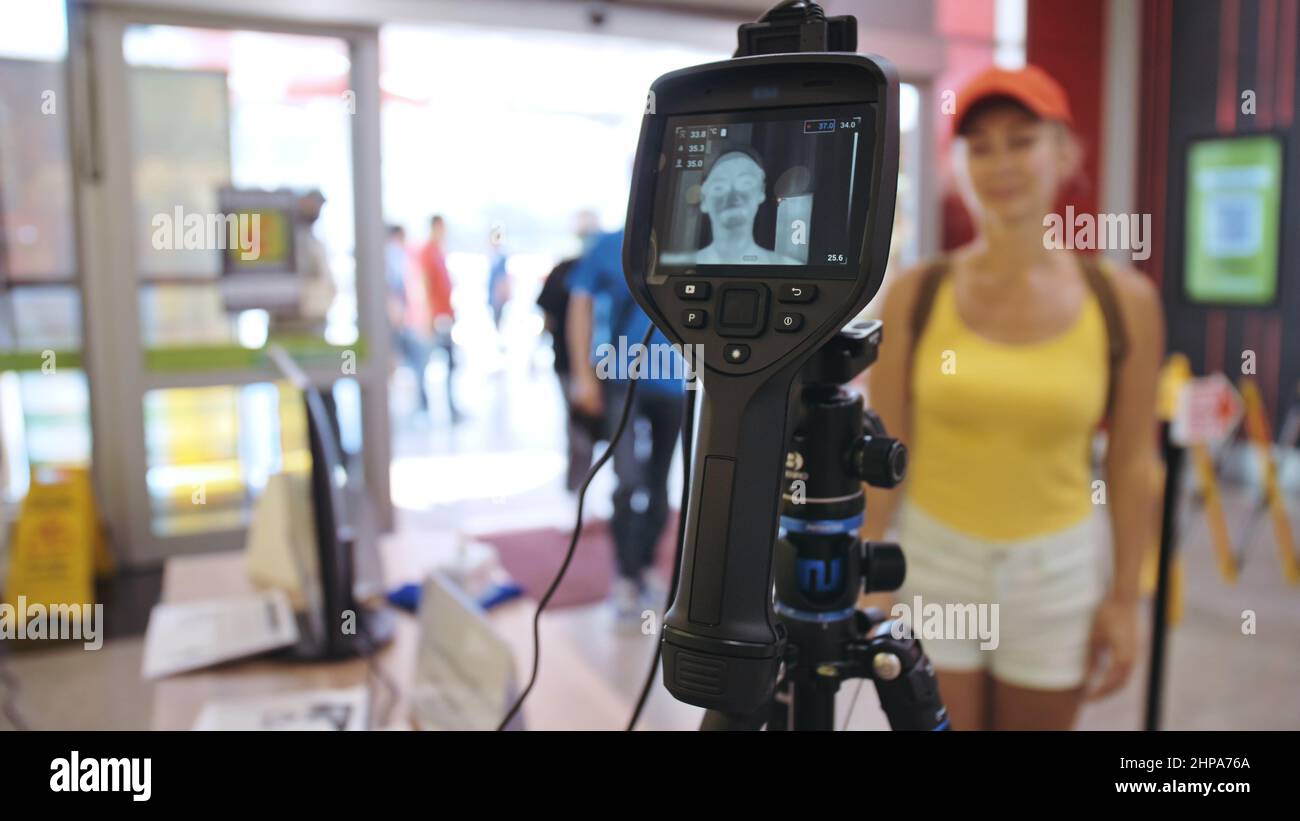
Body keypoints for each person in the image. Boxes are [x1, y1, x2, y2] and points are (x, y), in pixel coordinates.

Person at [862, 65, 1163, 730]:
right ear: (957, 164)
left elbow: (1133, 461)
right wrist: (871, 567)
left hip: (1057, 572)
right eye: (980, 145)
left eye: (1022, 140)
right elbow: (886, 448)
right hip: (935, 560)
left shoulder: (1123, 302)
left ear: (1066, 154)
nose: (1001, 162)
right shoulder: (918, 293)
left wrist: (1124, 599)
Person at [567, 228, 684, 622]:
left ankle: (645, 565)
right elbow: (579, 304)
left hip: (675, 382)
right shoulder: (611, 244)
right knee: (627, 479)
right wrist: (583, 374)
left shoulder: (688, 238)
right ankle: (626, 573)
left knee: (660, 483)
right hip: (622, 379)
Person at [536, 210, 603, 491]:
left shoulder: (607, 266)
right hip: (568, 362)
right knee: (580, 433)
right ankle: (576, 491)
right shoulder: (564, 270)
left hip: (608, 364)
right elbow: (548, 319)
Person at [677, 150, 801, 265]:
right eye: (719, 187)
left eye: (745, 183)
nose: (733, 196)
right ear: (704, 199)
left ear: (761, 192)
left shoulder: (789, 265)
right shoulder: (679, 265)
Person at [385, 224, 431, 413]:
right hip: (395, 321)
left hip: (401, 320)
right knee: (400, 360)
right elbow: (395, 288)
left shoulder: (394, 256)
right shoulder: (392, 256)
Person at [419, 214, 461, 423]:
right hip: (438, 317)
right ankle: (424, 408)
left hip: (446, 314)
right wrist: (429, 317)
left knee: (451, 363)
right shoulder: (428, 251)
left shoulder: (438, 251)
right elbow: (425, 286)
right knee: (430, 362)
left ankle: (451, 408)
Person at [487, 226, 512, 333]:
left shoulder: (501, 257)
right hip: (493, 297)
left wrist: (501, 297)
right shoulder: (493, 255)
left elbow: (503, 279)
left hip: (498, 298)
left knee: (498, 321)